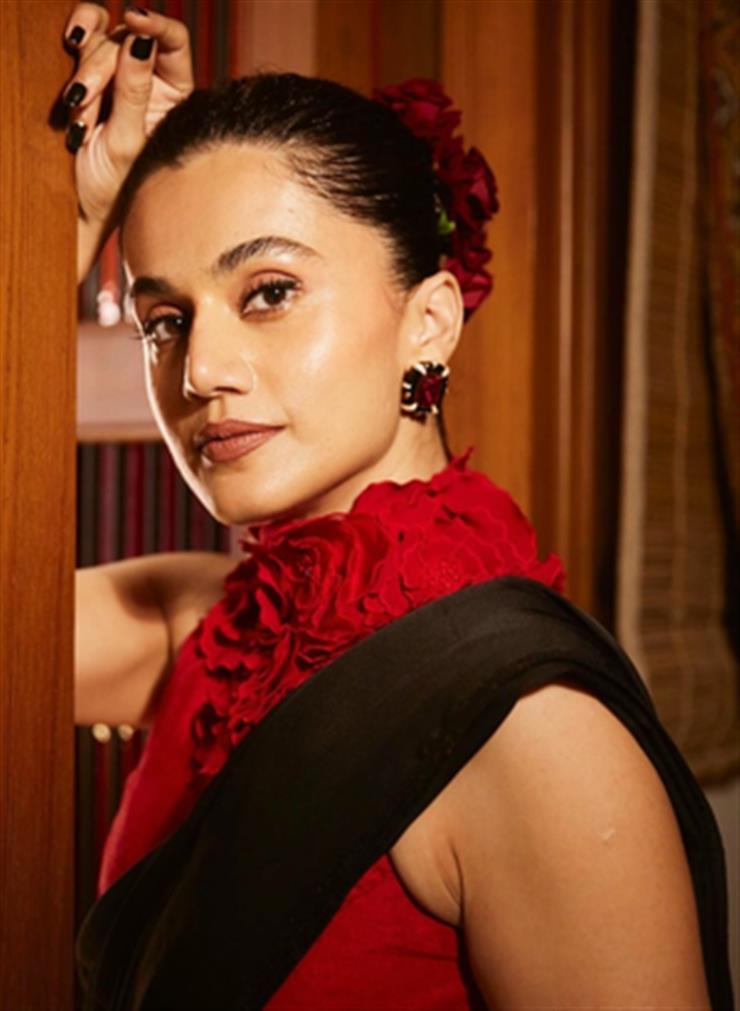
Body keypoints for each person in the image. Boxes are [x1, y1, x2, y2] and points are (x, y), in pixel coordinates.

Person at [64, 5, 733, 1010]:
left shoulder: (531, 732)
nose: (199, 370)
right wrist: (70, 225)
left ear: (429, 321)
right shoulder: (202, 627)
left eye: (269, 291)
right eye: (164, 321)